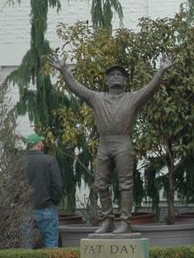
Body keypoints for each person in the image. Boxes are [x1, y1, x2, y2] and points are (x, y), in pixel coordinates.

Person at [48, 55, 174, 234]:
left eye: (120, 75)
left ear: (125, 81)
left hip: (123, 143)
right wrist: (63, 71)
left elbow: (150, 89)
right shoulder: (96, 98)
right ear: (106, 80)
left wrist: (161, 71)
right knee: (100, 184)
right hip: (104, 144)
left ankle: (125, 222)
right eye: (112, 74)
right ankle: (107, 221)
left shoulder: (132, 98)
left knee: (126, 185)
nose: (116, 76)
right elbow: (77, 88)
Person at [23, 133, 63, 248]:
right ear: (39, 144)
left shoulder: (20, 162)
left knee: (26, 246)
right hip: (47, 208)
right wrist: (54, 201)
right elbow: (57, 185)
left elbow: (14, 187)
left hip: (26, 210)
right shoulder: (49, 161)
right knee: (51, 244)